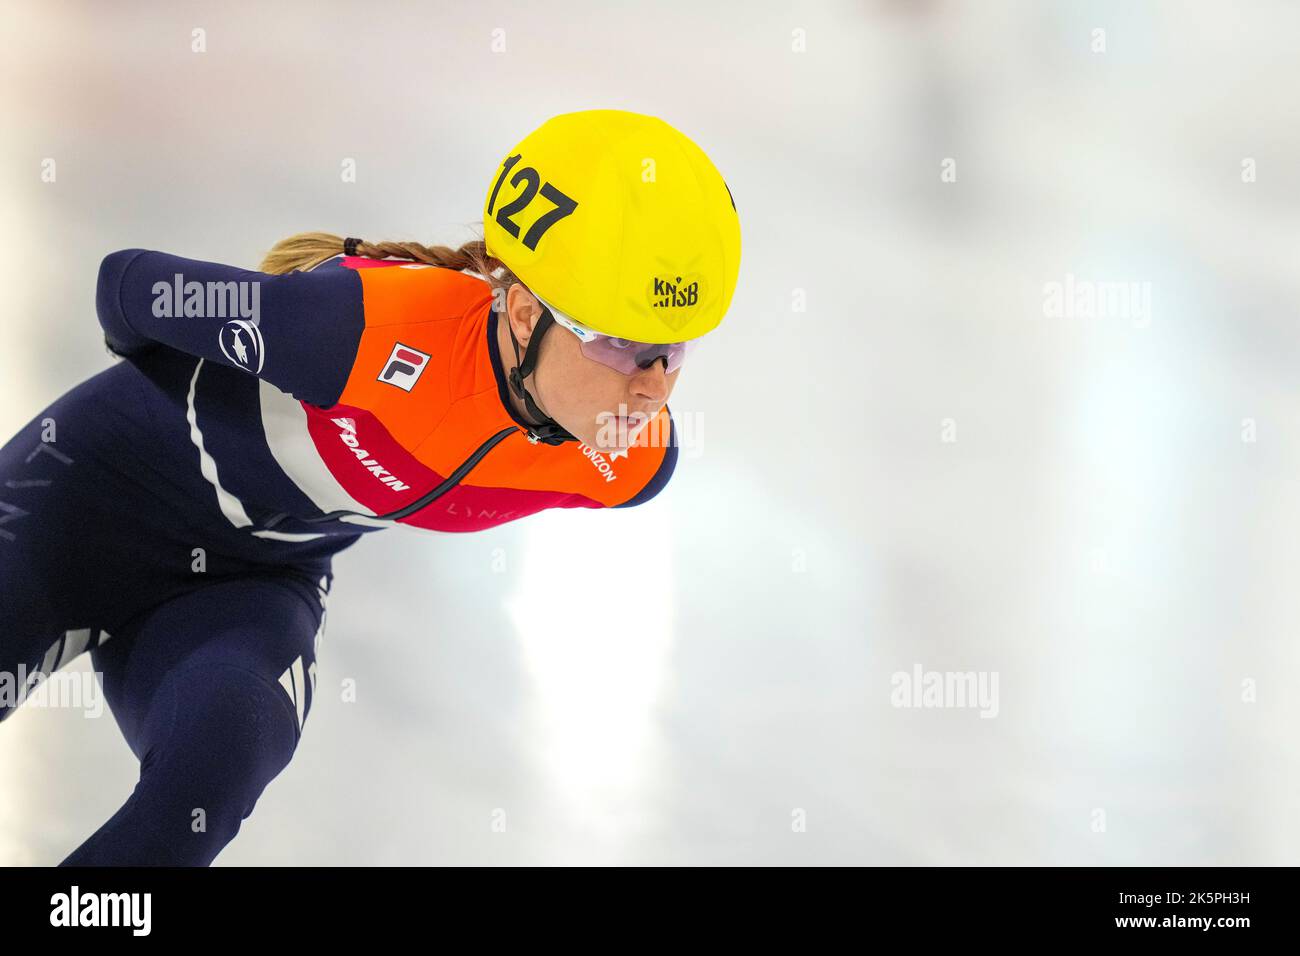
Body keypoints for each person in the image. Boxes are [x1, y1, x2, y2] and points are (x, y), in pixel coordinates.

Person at [0, 109, 741, 865]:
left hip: (243, 581)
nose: (652, 388)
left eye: (673, 351)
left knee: (214, 768)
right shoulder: (364, 328)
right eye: (621, 344)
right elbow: (129, 286)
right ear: (525, 314)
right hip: (78, 505)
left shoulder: (630, 460)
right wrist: (154, 396)